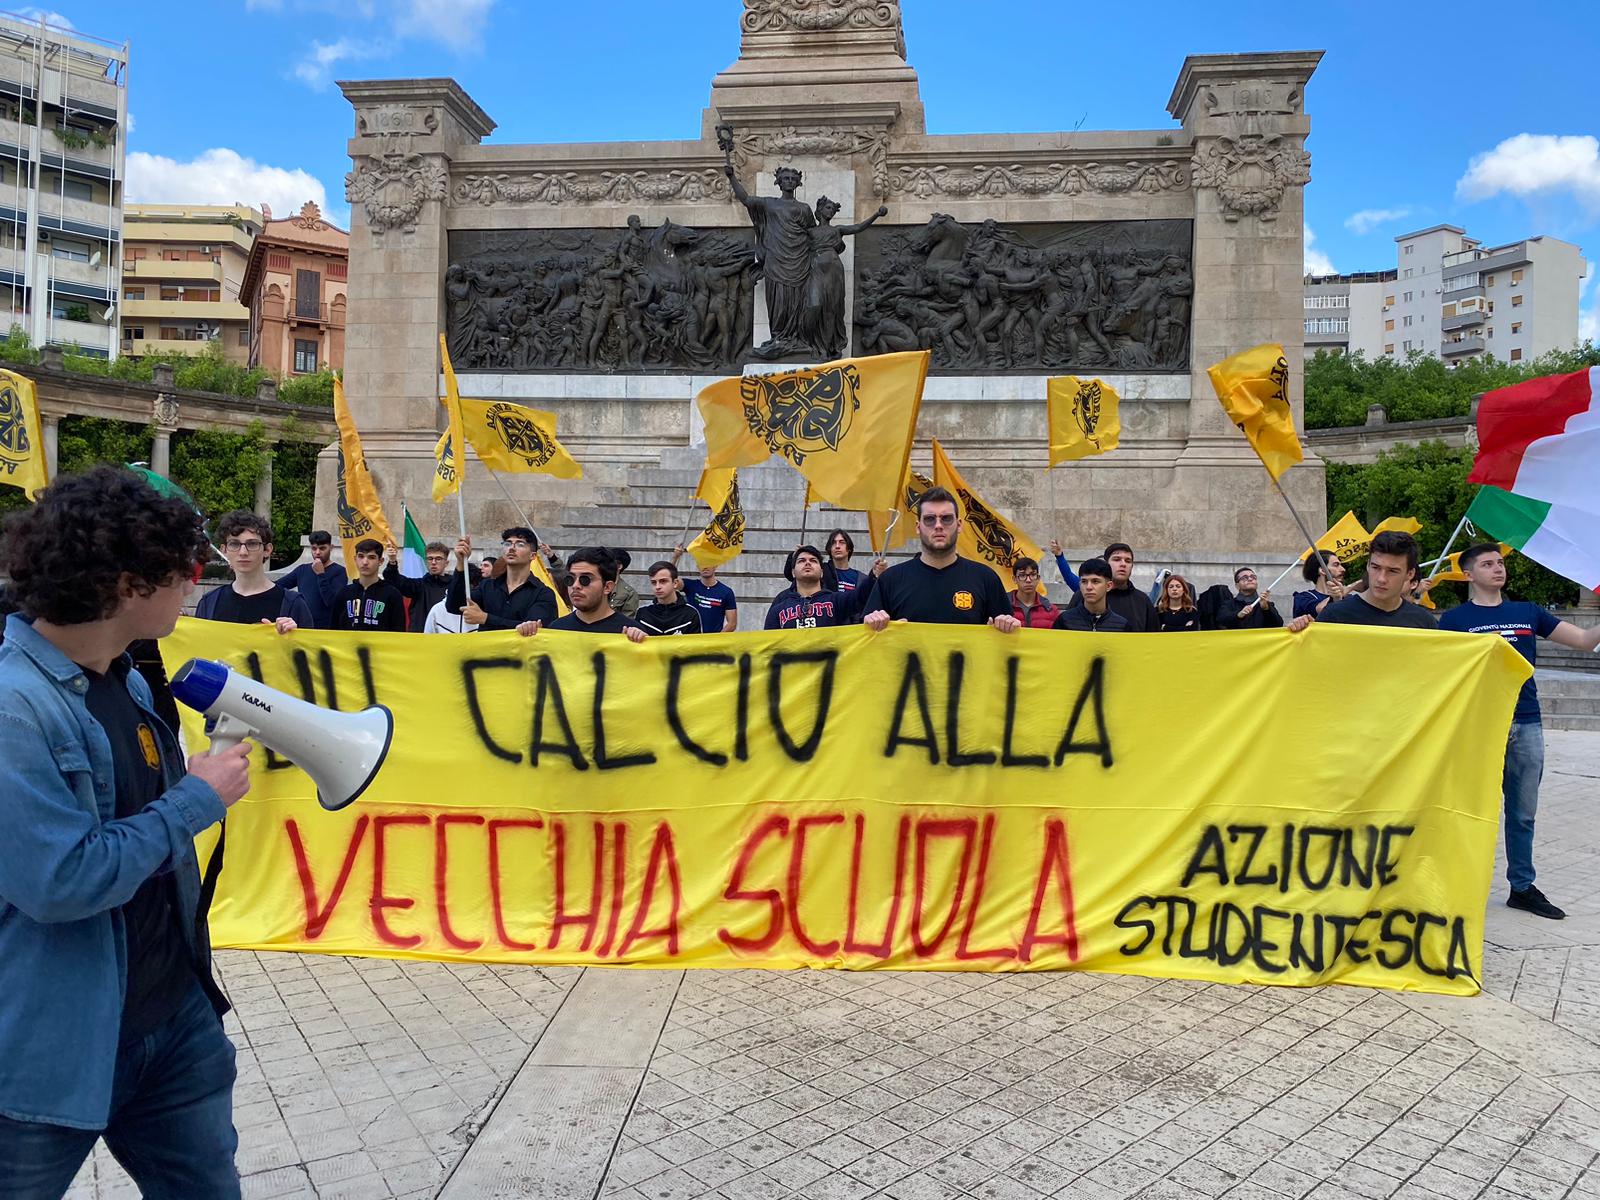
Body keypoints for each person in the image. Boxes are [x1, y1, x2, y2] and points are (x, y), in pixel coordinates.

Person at [0, 466, 253, 1196]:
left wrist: (184, 784)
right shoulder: (16, 711)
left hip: (169, 1022)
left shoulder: (126, 678)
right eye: (184, 571)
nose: (194, 585)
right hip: (54, 1045)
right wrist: (196, 800)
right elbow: (62, 880)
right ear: (128, 582)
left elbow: (136, 818)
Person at [1438, 543, 1600, 920]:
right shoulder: (1453, 620)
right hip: (1479, 725)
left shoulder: (1527, 612)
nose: (1497, 569)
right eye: (1487, 564)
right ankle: (1460, 881)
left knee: (1523, 812)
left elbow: (1583, 640)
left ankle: (1522, 887)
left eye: (1499, 563)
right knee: (1469, 808)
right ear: (1468, 574)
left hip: (1525, 721)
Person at [861, 487, 1021, 632]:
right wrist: (872, 624)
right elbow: (866, 642)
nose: (938, 525)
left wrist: (1007, 626)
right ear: (918, 527)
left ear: (959, 525)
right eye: (930, 519)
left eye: (946, 518)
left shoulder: (986, 579)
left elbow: (1006, 645)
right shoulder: (890, 580)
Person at [1287, 531, 1436, 632]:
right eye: (1376, 567)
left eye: (1392, 571)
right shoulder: (1334, 616)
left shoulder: (1425, 623)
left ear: (1410, 574)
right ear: (1367, 565)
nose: (1381, 578)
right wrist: (1298, 634)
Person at [193, 511, 312, 633]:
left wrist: (295, 637)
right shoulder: (209, 603)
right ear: (224, 550)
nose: (243, 552)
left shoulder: (293, 604)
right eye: (234, 544)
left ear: (267, 550)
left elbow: (311, 650)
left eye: (252, 544)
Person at [518, 548, 647, 641]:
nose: (575, 585)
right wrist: (526, 637)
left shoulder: (631, 633)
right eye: (570, 579)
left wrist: (641, 647)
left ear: (607, 587)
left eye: (585, 579)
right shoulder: (557, 629)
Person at [447, 527, 559, 632]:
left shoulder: (543, 593)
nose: (511, 548)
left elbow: (534, 630)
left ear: (533, 556)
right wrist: (461, 563)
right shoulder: (487, 586)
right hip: (486, 652)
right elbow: (454, 606)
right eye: (507, 543)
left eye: (520, 544)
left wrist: (486, 619)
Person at [1067, 542, 1158, 631]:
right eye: (1117, 559)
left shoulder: (1142, 601)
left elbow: (1154, 639)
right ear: (1106, 564)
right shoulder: (1084, 596)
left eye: (1128, 561)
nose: (1123, 564)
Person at [384, 539, 465, 633]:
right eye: (430, 559)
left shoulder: (454, 586)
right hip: (420, 638)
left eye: (438, 559)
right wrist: (392, 560)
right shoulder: (417, 586)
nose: (434, 562)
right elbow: (393, 579)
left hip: (446, 637)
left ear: (446, 563)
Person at [332, 539, 408, 632]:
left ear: (380, 561)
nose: (365, 562)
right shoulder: (343, 594)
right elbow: (333, 629)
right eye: (361, 556)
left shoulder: (392, 595)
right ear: (355, 559)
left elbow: (398, 631)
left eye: (371, 557)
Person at [277, 529, 344, 630]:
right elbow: (278, 586)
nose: (317, 552)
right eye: (314, 548)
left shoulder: (339, 571)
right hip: (304, 627)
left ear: (331, 548)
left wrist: (321, 575)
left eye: (322, 548)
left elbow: (332, 602)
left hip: (327, 629)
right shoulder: (302, 569)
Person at [766, 545, 847, 629]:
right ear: (793, 572)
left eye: (813, 560)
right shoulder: (779, 605)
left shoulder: (837, 601)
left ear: (822, 572)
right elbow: (768, 639)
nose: (807, 563)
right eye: (801, 561)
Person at [671, 544, 738, 633]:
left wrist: (715, 640)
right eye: (702, 563)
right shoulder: (690, 586)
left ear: (715, 566)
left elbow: (732, 624)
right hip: (691, 640)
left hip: (712, 643)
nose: (705, 567)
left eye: (708, 562)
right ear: (698, 566)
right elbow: (669, 581)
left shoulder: (726, 592)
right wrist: (675, 557)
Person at [1052, 559, 1131, 632]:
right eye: (1084, 581)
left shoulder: (1122, 625)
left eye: (1095, 581)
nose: (1089, 587)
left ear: (1108, 586)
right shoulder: (1064, 621)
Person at [823, 528, 880, 615]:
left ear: (849, 548)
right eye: (833, 543)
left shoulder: (861, 578)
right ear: (829, 549)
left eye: (842, 542)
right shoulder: (821, 571)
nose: (837, 546)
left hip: (852, 625)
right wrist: (796, 556)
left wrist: (877, 574)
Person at [635, 561, 700, 636]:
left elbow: (697, 646)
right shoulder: (642, 612)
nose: (657, 587)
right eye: (653, 582)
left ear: (675, 583)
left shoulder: (691, 614)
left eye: (663, 581)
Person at [1213, 567, 1283, 630]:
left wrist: (1266, 609)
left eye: (1253, 577)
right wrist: (1238, 615)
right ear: (1237, 586)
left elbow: (1279, 625)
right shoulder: (1229, 604)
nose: (1250, 579)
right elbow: (1220, 622)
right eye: (1244, 578)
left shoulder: (1267, 605)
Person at [1293, 552, 1349, 621]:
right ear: (1322, 570)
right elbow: (1320, 609)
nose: (1343, 569)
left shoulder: (1349, 598)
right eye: (1336, 565)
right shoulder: (1303, 598)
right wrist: (1351, 588)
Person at [1007, 556, 1059, 629]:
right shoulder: (1003, 607)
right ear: (1014, 579)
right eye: (1022, 575)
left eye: (1033, 575)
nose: (1028, 580)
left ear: (1038, 578)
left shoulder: (1051, 611)